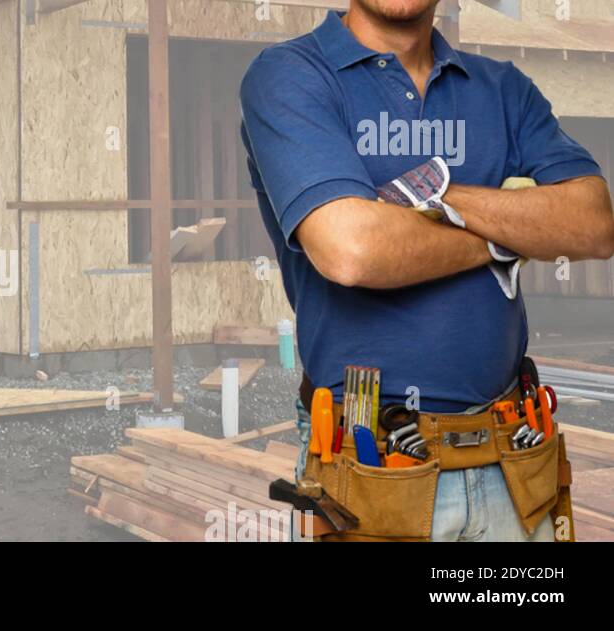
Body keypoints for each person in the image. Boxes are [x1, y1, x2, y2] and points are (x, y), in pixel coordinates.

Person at [240, 0, 614, 541]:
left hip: (512, 454)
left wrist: (437, 197)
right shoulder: (291, 75)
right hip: (373, 464)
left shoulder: (503, 88)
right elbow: (351, 252)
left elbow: (593, 224)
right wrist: (507, 237)